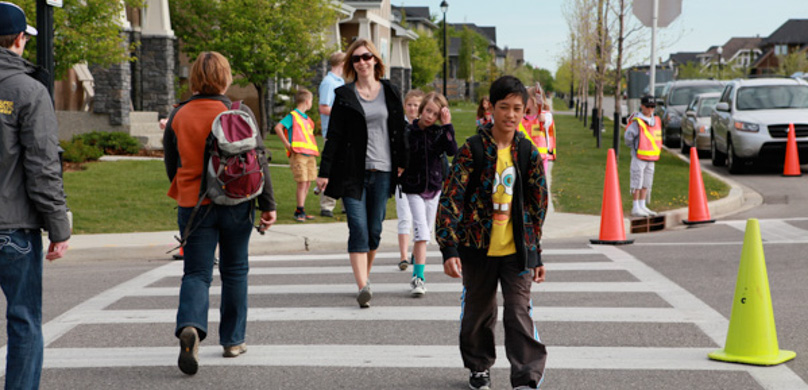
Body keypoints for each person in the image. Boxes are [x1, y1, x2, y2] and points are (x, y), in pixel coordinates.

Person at [163, 51, 277, 375]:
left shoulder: (178, 115)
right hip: (237, 201)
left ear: (195, 78)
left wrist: (188, 186)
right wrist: (268, 204)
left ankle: (191, 326)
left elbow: (172, 165)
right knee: (236, 269)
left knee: (197, 273)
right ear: (225, 78)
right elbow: (259, 160)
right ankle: (233, 340)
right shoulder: (237, 112)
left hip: (194, 205)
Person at [436, 75, 548, 390]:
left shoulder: (528, 153)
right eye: (504, 107)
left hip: (516, 252)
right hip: (476, 250)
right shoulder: (472, 150)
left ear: (524, 110)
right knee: (477, 314)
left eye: (517, 108)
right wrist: (449, 249)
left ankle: (526, 375)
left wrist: (535, 252)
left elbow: (537, 208)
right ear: (491, 107)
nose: (510, 115)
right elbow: (451, 199)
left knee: (517, 310)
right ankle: (479, 367)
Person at [0, 3, 70, 388]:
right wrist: (59, 226)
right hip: (14, 228)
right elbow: (42, 166)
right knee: (24, 320)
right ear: (19, 39)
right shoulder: (28, 90)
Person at [316, 38, 408, 308]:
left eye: (367, 57)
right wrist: (324, 172)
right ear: (350, 64)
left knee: (375, 230)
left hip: (383, 170)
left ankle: (364, 277)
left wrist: (403, 161)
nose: (362, 62)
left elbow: (400, 129)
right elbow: (333, 136)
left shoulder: (390, 91)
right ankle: (362, 286)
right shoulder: (344, 95)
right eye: (356, 59)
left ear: (376, 60)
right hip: (351, 172)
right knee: (357, 227)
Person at [400, 91, 457, 296]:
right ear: (422, 109)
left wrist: (447, 125)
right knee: (421, 232)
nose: (429, 116)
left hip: (433, 188)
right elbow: (400, 153)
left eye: (434, 114)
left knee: (426, 234)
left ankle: (418, 259)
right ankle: (418, 278)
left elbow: (452, 150)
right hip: (413, 188)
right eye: (427, 111)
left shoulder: (438, 133)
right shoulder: (409, 131)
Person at [274, 88, 319, 222]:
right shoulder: (293, 116)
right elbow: (278, 127)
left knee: (308, 182)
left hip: (309, 154)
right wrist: (287, 144)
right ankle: (299, 210)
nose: (311, 103)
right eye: (311, 100)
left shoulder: (308, 119)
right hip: (298, 154)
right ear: (307, 101)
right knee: (302, 182)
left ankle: (302, 209)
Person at [396, 88, 425, 271]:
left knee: (419, 219)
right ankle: (403, 256)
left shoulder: (425, 128)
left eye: (416, 105)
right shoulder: (400, 127)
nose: (413, 108)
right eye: (410, 105)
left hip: (421, 180)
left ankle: (417, 252)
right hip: (402, 179)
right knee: (404, 216)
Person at [318, 52, 345, 218]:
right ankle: (326, 205)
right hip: (332, 132)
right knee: (330, 168)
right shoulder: (329, 83)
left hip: (343, 132)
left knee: (344, 167)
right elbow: (323, 107)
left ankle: (344, 203)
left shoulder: (340, 82)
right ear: (341, 63)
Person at [624, 95, 661, 217]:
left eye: (653, 107)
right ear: (642, 106)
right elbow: (628, 138)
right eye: (648, 106)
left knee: (646, 182)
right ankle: (635, 206)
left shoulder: (655, 120)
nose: (650, 109)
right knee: (637, 181)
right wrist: (635, 148)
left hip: (651, 157)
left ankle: (642, 205)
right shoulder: (637, 121)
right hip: (639, 156)